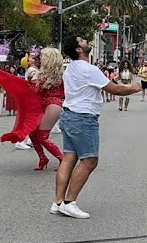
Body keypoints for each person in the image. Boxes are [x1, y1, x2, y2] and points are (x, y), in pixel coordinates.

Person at [51, 36, 140, 219]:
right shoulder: (89, 69)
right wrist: (135, 88)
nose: (85, 41)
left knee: (68, 158)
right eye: (82, 41)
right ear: (78, 49)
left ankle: (58, 202)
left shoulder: (70, 69)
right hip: (83, 118)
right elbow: (114, 89)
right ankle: (69, 203)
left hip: (68, 115)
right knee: (90, 161)